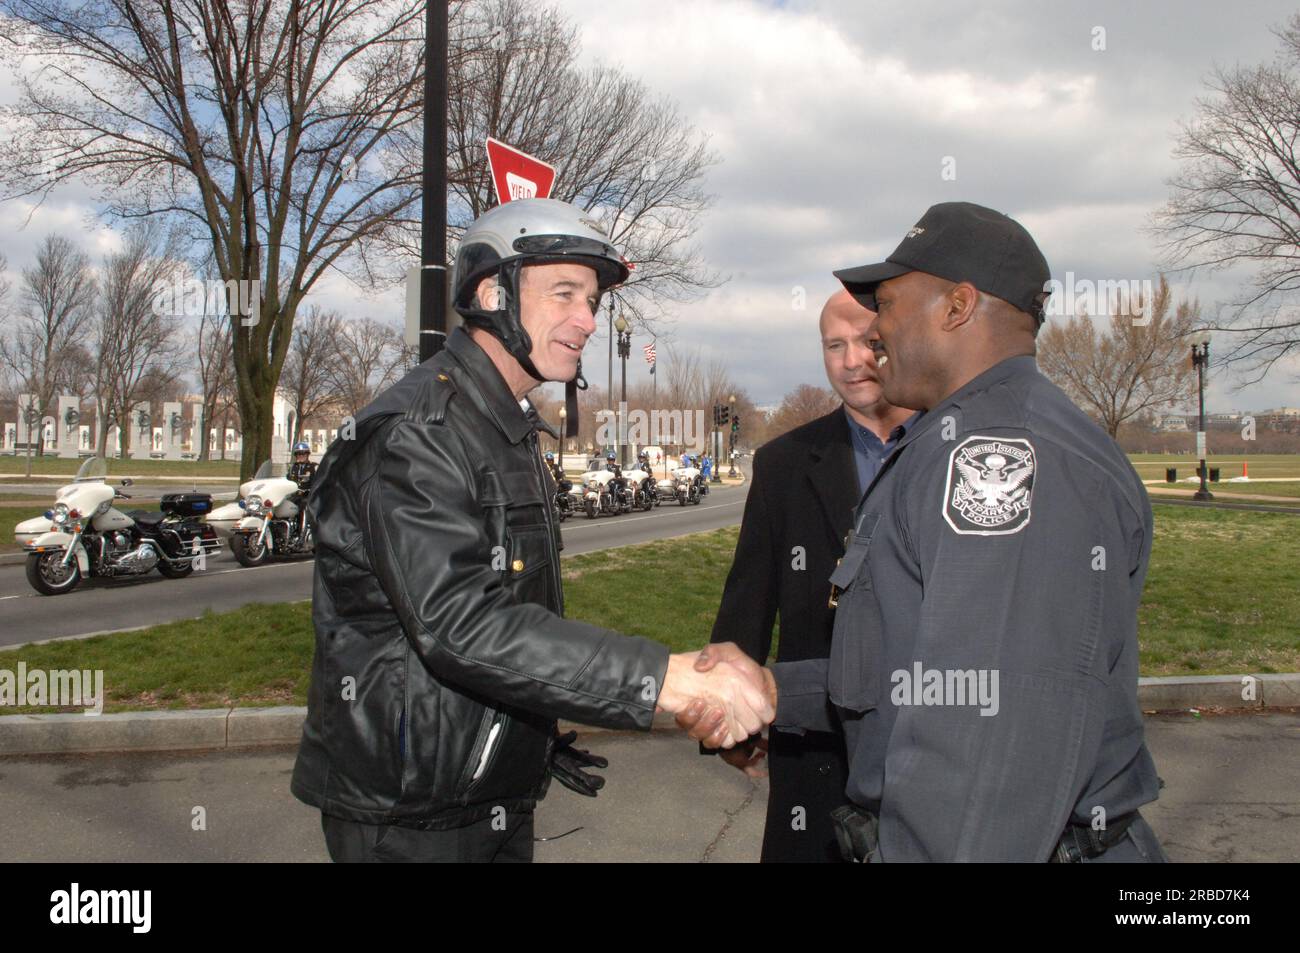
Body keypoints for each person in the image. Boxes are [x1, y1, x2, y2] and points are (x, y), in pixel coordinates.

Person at [291, 197, 773, 863]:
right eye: (565, 294)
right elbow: (461, 625)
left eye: (594, 301)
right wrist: (666, 679)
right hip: (414, 819)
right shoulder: (419, 433)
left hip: (487, 797)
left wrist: (525, 745)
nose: (587, 319)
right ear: (491, 292)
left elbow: (515, 616)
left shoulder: (502, 427)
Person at [683, 201, 1166, 862]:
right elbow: (927, 672)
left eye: (887, 303)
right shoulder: (961, 435)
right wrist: (776, 691)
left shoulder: (997, 459)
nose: (876, 330)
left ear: (958, 306)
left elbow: (986, 763)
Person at [704, 289, 917, 863]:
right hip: (816, 749)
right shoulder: (783, 464)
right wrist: (731, 721)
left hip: (929, 745)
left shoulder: (950, 451)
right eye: (834, 345)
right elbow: (749, 601)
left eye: (869, 343)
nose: (851, 362)